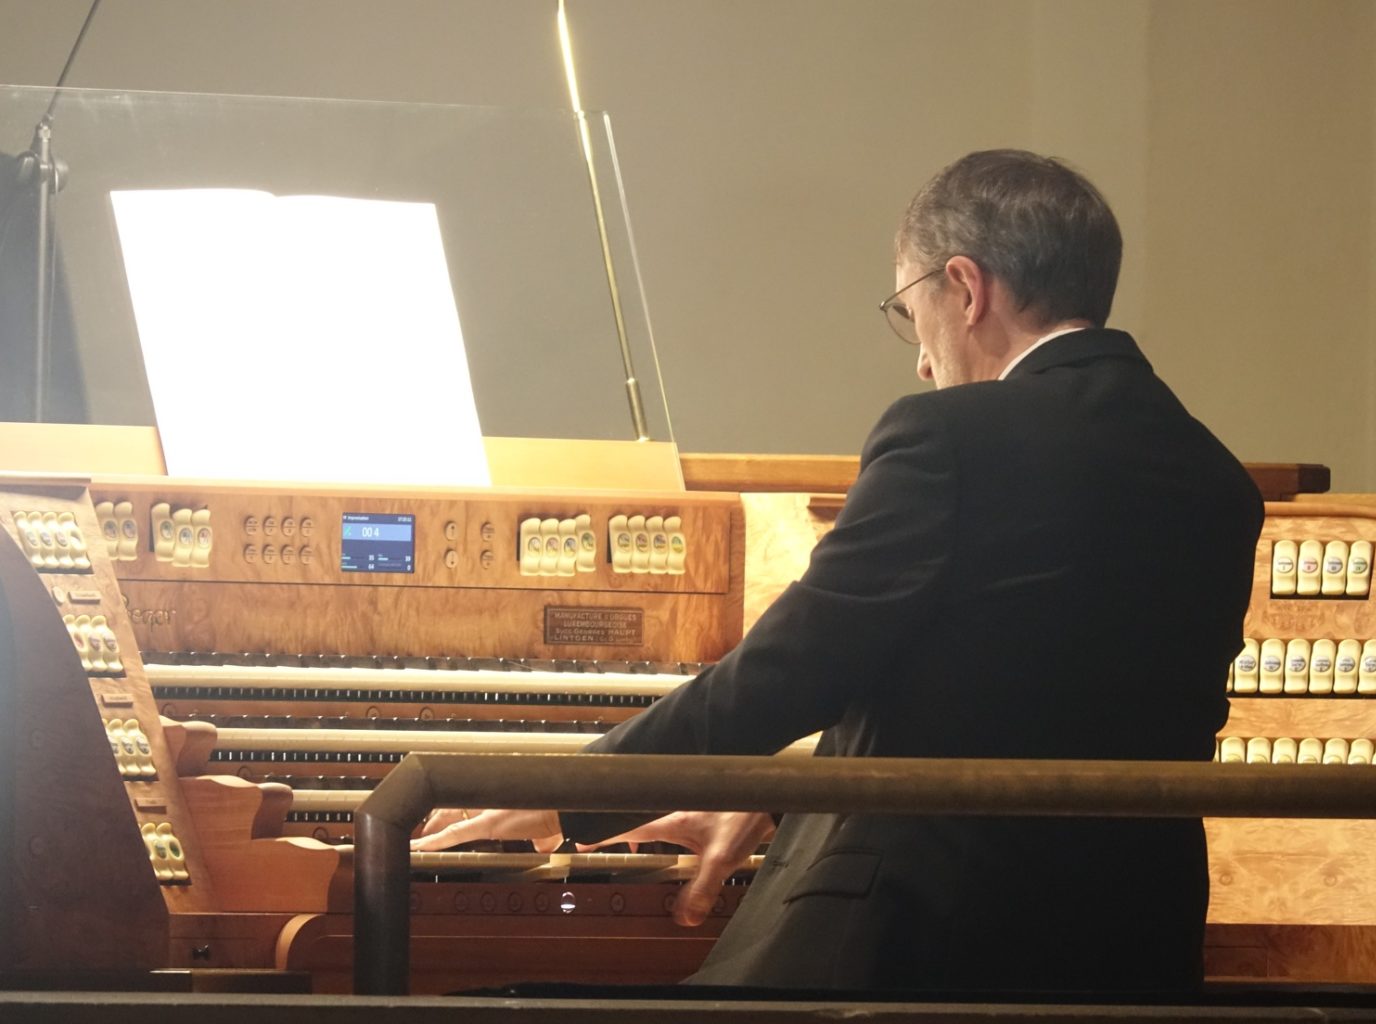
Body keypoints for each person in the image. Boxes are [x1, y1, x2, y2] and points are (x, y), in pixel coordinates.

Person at [416, 149, 1265, 994]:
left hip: (921, 941)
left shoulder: (952, 437)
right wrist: (784, 794)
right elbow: (1021, 689)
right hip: (1137, 946)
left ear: (965, 289)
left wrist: (568, 794)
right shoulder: (1215, 477)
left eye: (910, 311)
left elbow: (795, 667)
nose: (922, 361)